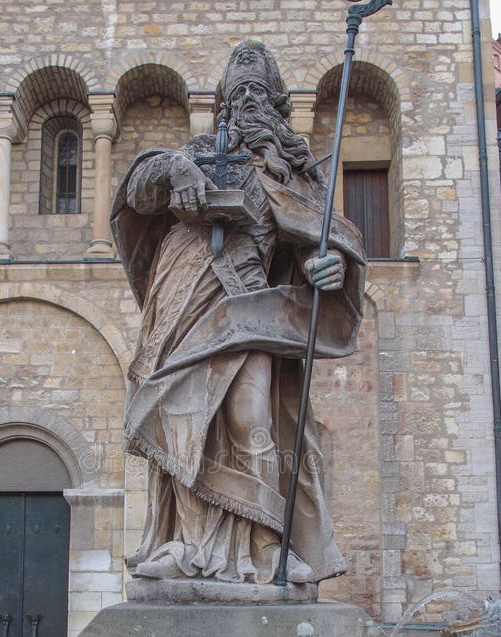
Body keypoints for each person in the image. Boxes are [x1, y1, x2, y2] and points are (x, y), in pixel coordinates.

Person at [112, 40, 366, 586]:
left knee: (250, 417)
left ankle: (267, 546)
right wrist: (177, 167)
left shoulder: (293, 175)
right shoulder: (201, 150)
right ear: (225, 102)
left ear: (276, 105)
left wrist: (329, 268)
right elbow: (139, 185)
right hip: (178, 300)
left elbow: (319, 245)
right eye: (239, 92)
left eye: (259, 92)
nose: (249, 101)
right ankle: (186, 544)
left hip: (247, 305)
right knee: (180, 417)